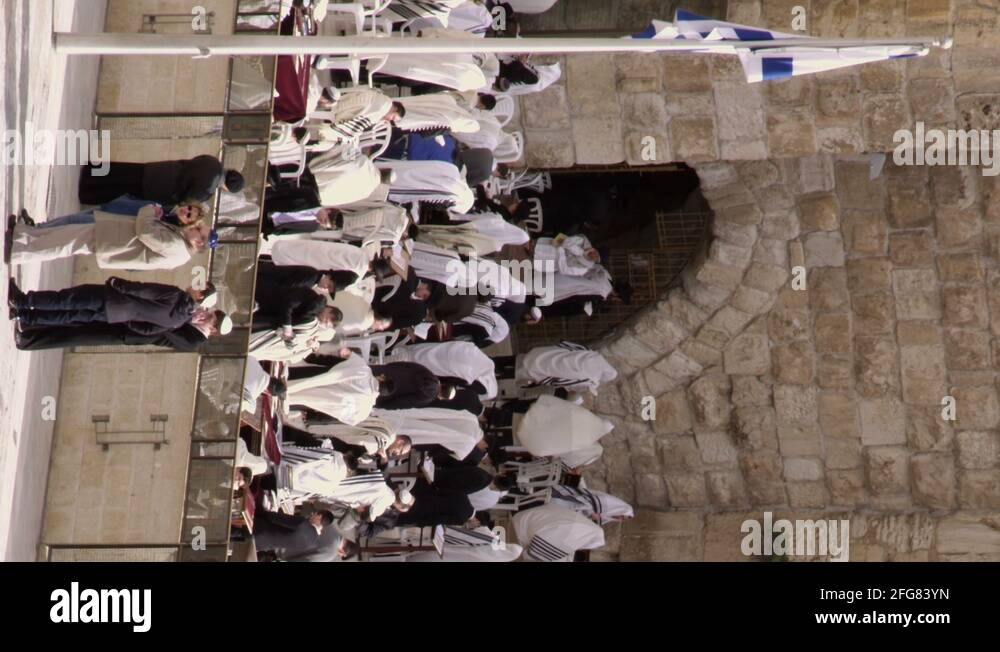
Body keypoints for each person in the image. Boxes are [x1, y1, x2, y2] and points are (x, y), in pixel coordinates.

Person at [9, 204, 212, 270]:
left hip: (113, 240)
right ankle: (22, 235)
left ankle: (20, 250)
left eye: (199, 230)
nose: (197, 226)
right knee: (63, 235)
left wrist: (151, 209)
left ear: (199, 242)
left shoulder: (178, 248)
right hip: (113, 235)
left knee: (63, 243)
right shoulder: (180, 242)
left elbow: (145, 232)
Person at [8, 277, 218, 331]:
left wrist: (118, 284)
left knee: (66, 299)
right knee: (69, 316)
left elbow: (143, 289)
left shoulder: (176, 295)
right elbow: (147, 329)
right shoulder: (178, 321)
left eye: (199, 285)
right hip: (115, 316)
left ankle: (23, 301)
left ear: (200, 294)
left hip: (113, 298)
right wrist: (129, 319)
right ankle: (24, 316)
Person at [14, 307, 232, 351]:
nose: (204, 316)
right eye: (209, 314)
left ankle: (28, 340)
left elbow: (167, 330)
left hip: (131, 333)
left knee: (76, 334)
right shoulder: (190, 318)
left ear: (212, 329)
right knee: (80, 319)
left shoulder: (194, 341)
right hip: (132, 318)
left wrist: (184, 318)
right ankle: (32, 323)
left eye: (208, 319)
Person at [79, 154, 244, 207]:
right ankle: (88, 192)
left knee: (123, 171)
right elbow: (186, 201)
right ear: (227, 188)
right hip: (161, 189)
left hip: (162, 169)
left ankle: (90, 171)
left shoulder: (212, 161)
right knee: (122, 190)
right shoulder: (207, 191)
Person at [285, 351, 380, 426]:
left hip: (313, 376)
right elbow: (337, 415)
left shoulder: (363, 370)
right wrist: (314, 417)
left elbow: (334, 361)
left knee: (281, 376)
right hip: (314, 401)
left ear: (382, 378)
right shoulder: (364, 412)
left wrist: (312, 358)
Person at [515, 341, 618, 395]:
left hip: (546, 354)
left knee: (518, 360)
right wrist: (548, 382)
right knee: (518, 372)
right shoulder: (588, 379)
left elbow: (566, 344)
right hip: (545, 371)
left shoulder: (590, 353)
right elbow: (565, 381)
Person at [511, 504, 605, 562]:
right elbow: (533, 555)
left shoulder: (579, 523)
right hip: (514, 532)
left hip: (520, 518)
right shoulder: (569, 534)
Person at [370, 362, 456, 410]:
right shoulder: (427, 397)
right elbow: (403, 402)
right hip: (382, 393)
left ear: (444, 384)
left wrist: (387, 368)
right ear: (441, 397)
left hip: (382, 372)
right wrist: (384, 405)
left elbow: (405, 364)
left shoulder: (428, 373)